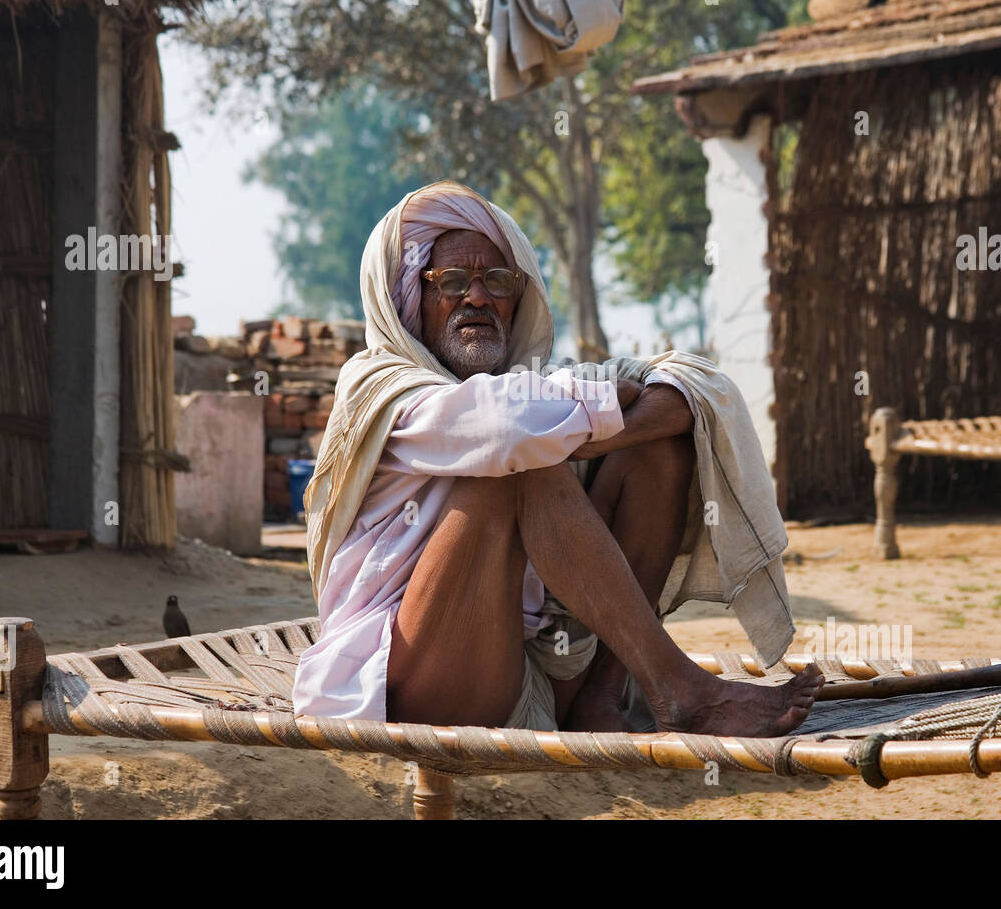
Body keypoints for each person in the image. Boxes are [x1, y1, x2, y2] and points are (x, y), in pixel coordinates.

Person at [292, 180, 823, 735]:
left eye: (497, 281)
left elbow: (690, 389)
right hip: (409, 684)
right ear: (410, 299)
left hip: (530, 672)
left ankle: (603, 696)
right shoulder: (381, 387)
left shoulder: (536, 388)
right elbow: (504, 430)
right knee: (516, 467)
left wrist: (598, 436)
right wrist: (583, 419)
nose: (477, 298)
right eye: (451, 281)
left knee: (656, 455)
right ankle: (679, 689)